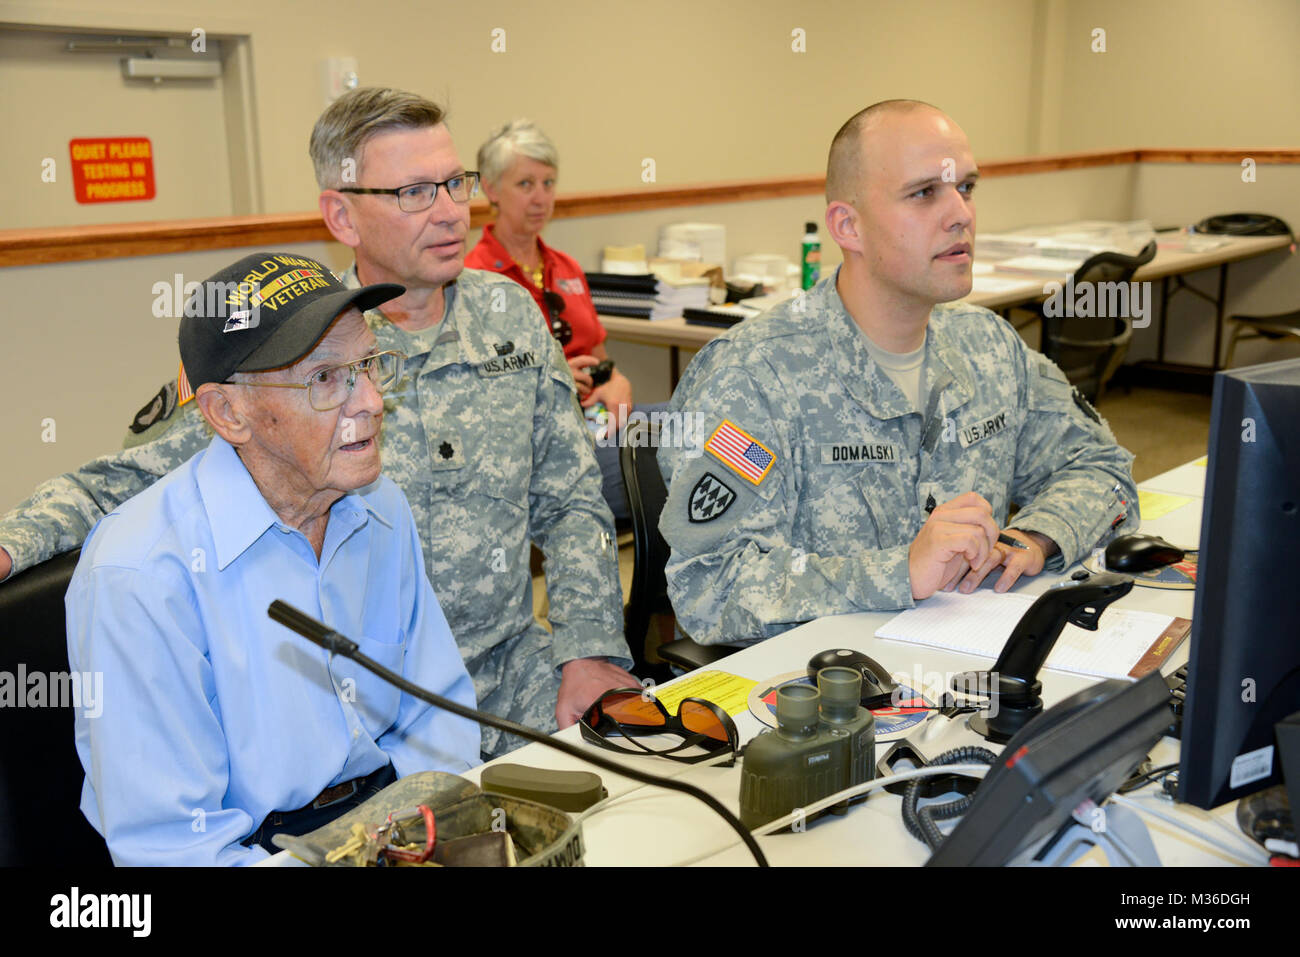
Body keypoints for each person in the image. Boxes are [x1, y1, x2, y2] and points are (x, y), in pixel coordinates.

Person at [0, 88, 637, 758]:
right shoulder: (289, 353)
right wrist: (14, 540)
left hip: (517, 685)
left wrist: (588, 646)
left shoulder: (512, 316)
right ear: (342, 215)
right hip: (368, 721)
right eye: (416, 191)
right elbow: (120, 484)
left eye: (455, 183)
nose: (453, 211)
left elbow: (568, 501)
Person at [657, 100, 1140, 646]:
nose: (961, 213)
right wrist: (899, 572)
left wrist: (1037, 535)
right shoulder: (753, 376)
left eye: (967, 188)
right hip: (816, 692)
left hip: (963, 654)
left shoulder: (988, 345)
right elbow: (709, 586)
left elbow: (1102, 467)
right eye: (924, 193)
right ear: (848, 226)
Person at [68, 254, 481, 865]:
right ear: (227, 413)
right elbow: (174, 849)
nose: (370, 400)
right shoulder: (140, 576)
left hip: (396, 826)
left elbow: (435, 717)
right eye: (324, 379)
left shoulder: (379, 506)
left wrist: (430, 836)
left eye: (367, 365)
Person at [465, 119, 665, 522]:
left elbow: (600, 356)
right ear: (491, 189)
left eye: (549, 183)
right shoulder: (473, 279)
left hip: (596, 421)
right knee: (676, 461)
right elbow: (474, 395)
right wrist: (550, 377)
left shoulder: (567, 268)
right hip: (540, 443)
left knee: (702, 425)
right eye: (525, 184)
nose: (541, 198)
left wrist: (618, 382)